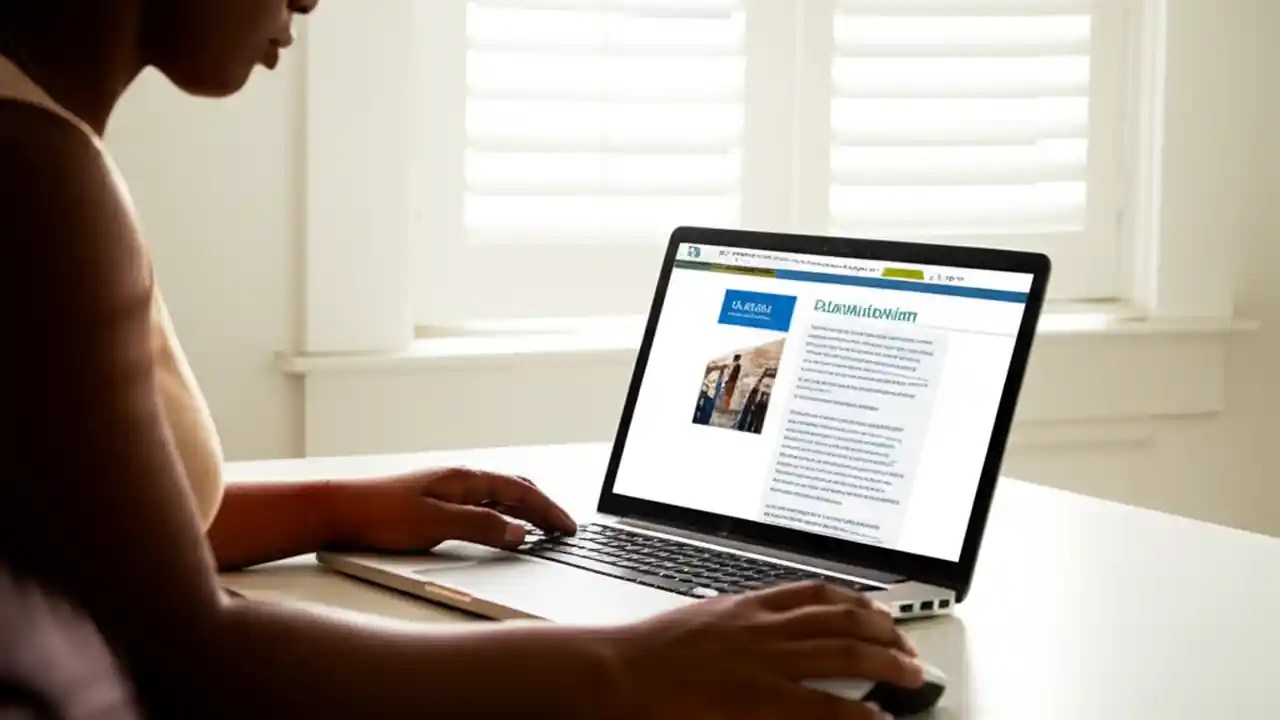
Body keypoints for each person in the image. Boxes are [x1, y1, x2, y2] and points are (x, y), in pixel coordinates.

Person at [0, 2, 923, 717]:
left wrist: (340, 505)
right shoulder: (34, 179)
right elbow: (185, 657)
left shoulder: (35, 135)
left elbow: (73, 542)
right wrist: (632, 661)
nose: (313, 3)